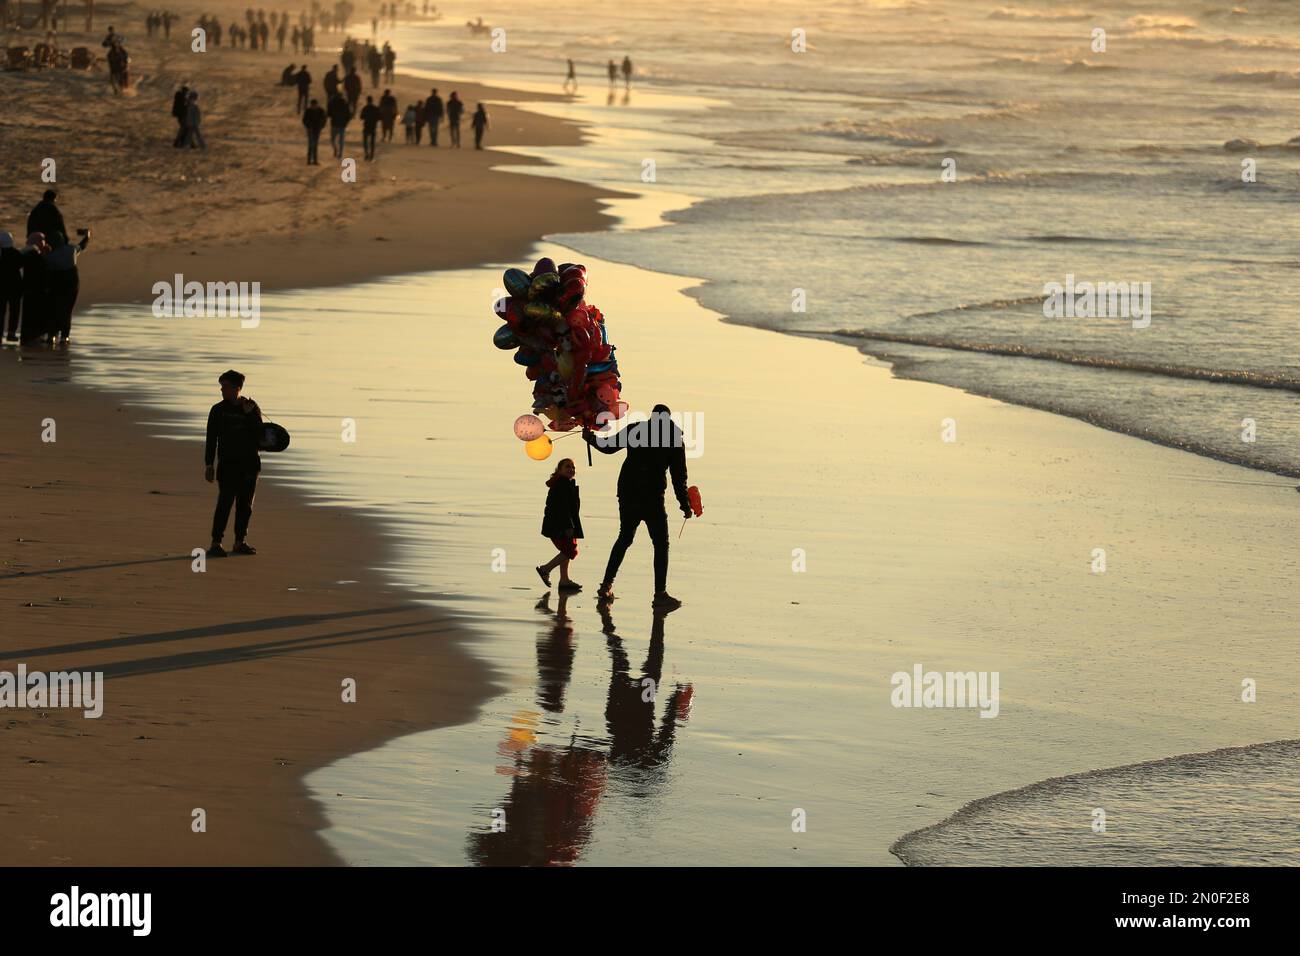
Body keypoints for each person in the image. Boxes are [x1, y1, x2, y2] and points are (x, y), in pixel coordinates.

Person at [583, 405, 692, 609]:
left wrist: (591, 439)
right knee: (661, 544)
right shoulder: (675, 440)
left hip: (628, 492)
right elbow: (679, 477)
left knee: (625, 537)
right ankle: (660, 593)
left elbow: (609, 446)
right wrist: (684, 505)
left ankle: (606, 585)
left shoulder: (636, 429)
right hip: (652, 497)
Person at [205, 369, 264, 558]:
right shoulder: (218, 410)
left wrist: (249, 415)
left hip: (249, 464)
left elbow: (260, 436)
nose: (222, 390)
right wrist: (209, 464)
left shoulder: (252, 408)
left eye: (226, 387)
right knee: (224, 503)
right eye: (221, 386)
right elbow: (211, 438)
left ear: (237, 388)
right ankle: (216, 542)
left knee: (245, 505)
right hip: (227, 464)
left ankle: (240, 542)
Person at [536, 457, 584, 592]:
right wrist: (568, 526)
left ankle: (564, 580)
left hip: (563, 523)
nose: (571, 469)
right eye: (567, 467)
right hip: (560, 525)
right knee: (570, 551)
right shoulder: (562, 484)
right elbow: (562, 508)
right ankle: (545, 569)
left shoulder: (565, 483)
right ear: (559, 470)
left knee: (567, 549)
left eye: (573, 467)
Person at [43, 228, 90, 347]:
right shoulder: (71, 250)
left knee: (54, 308)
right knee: (67, 309)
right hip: (71, 282)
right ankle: (65, 336)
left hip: (56, 281)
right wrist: (87, 236)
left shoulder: (49, 255)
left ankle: (52, 335)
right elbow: (82, 246)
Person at [19, 233, 50, 347]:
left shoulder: (26, 253)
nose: (44, 242)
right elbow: (42, 271)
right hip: (37, 290)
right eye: (42, 240)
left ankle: (27, 337)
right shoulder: (35, 255)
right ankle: (33, 337)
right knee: (35, 314)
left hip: (28, 290)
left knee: (28, 315)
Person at [0, 233, 23, 343]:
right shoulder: (16, 253)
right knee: (14, 311)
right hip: (15, 286)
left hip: (2, 287)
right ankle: (11, 333)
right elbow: (21, 265)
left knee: (1, 311)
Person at [302, 97, 327, 164]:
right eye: (312, 105)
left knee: (315, 145)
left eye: (314, 105)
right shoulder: (308, 111)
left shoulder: (321, 111)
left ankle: (315, 160)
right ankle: (309, 160)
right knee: (311, 145)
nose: (313, 107)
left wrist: (321, 126)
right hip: (310, 129)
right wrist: (308, 126)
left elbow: (324, 119)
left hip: (317, 129)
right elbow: (304, 120)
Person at [327, 91, 351, 157]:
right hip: (342, 124)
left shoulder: (332, 103)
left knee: (332, 139)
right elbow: (348, 115)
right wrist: (346, 122)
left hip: (334, 123)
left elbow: (328, 114)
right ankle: (340, 153)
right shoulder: (345, 103)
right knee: (341, 140)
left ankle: (336, 149)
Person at [359, 94, 381, 160]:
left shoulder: (365, 108)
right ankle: (372, 155)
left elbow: (361, 117)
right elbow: (380, 117)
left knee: (365, 142)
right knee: (372, 142)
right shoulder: (376, 108)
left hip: (366, 126)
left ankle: (366, 154)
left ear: (367, 101)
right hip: (373, 127)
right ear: (372, 100)